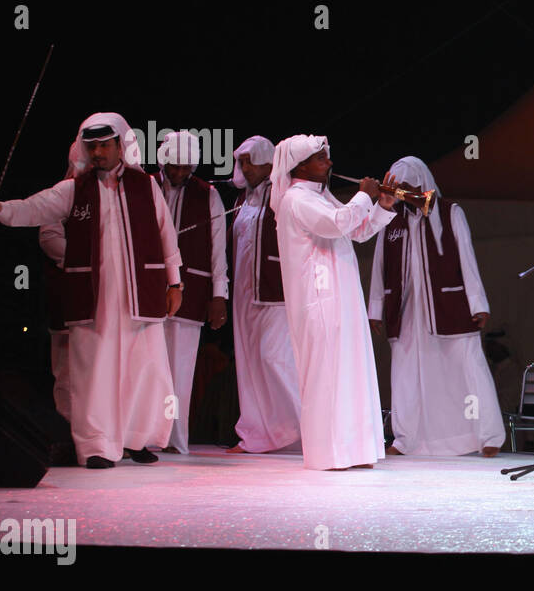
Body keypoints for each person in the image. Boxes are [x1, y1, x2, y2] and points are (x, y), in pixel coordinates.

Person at [0, 112, 182, 468]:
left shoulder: (146, 185)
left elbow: (167, 235)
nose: (99, 153)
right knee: (94, 372)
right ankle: (97, 446)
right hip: (94, 299)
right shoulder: (75, 188)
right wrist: (3, 210)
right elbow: (36, 207)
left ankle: (137, 439)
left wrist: (175, 281)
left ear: (121, 146)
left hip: (140, 294)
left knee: (144, 368)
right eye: (93, 147)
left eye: (105, 146)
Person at [272, 135, 397, 470]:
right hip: (319, 300)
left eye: (327, 156)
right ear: (299, 166)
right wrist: (363, 194)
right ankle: (329, 453)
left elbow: (356, 231)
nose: (328, 162)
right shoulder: (296, 200)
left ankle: (352, 451)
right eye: (320, 158)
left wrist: (382, 205)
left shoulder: (320, 197)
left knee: (349, 371)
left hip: (340, 297)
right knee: (327, 375)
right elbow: (337, 224)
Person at [368, 155, 505, 457]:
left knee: (469, 366)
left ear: (421, 184)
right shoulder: (390, 217)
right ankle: (406, 439)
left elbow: (467, 260)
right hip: (406, 310)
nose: (402, 192)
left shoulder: (450, 212)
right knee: (406, 375)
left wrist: (477, 303)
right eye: (397, 187)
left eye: (406, 187)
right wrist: (375, 309)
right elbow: (380, 266)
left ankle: (487, 435)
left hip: (448, 302)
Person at [225, 136, 303, 454]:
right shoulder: (243, 200)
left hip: (276, 291)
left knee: (275, 358)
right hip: (245, 294)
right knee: (250, 364)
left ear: (269, 163)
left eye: (250, 161)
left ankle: (304, 427)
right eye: (241, 162)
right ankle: (257, 433)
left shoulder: (283, 194)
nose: (245, 167)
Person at [158, 130, 229, 453]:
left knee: (180, 370)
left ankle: (173, 437)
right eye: (174, 166)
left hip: (192, 290)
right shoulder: (147, 187)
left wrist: (219, 295)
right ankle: (143, 435)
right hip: (149, 290)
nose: (179, 173)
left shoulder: (207, 193)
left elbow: (218, 250)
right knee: (147, 368)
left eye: (186, 168)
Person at [38, 140, 90, 423]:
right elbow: (49, 238)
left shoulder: (106, 194)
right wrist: (87, 263)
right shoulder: (61, 193)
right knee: (67, 368)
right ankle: (68, 431)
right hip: (67, 295)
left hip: (98, 299)